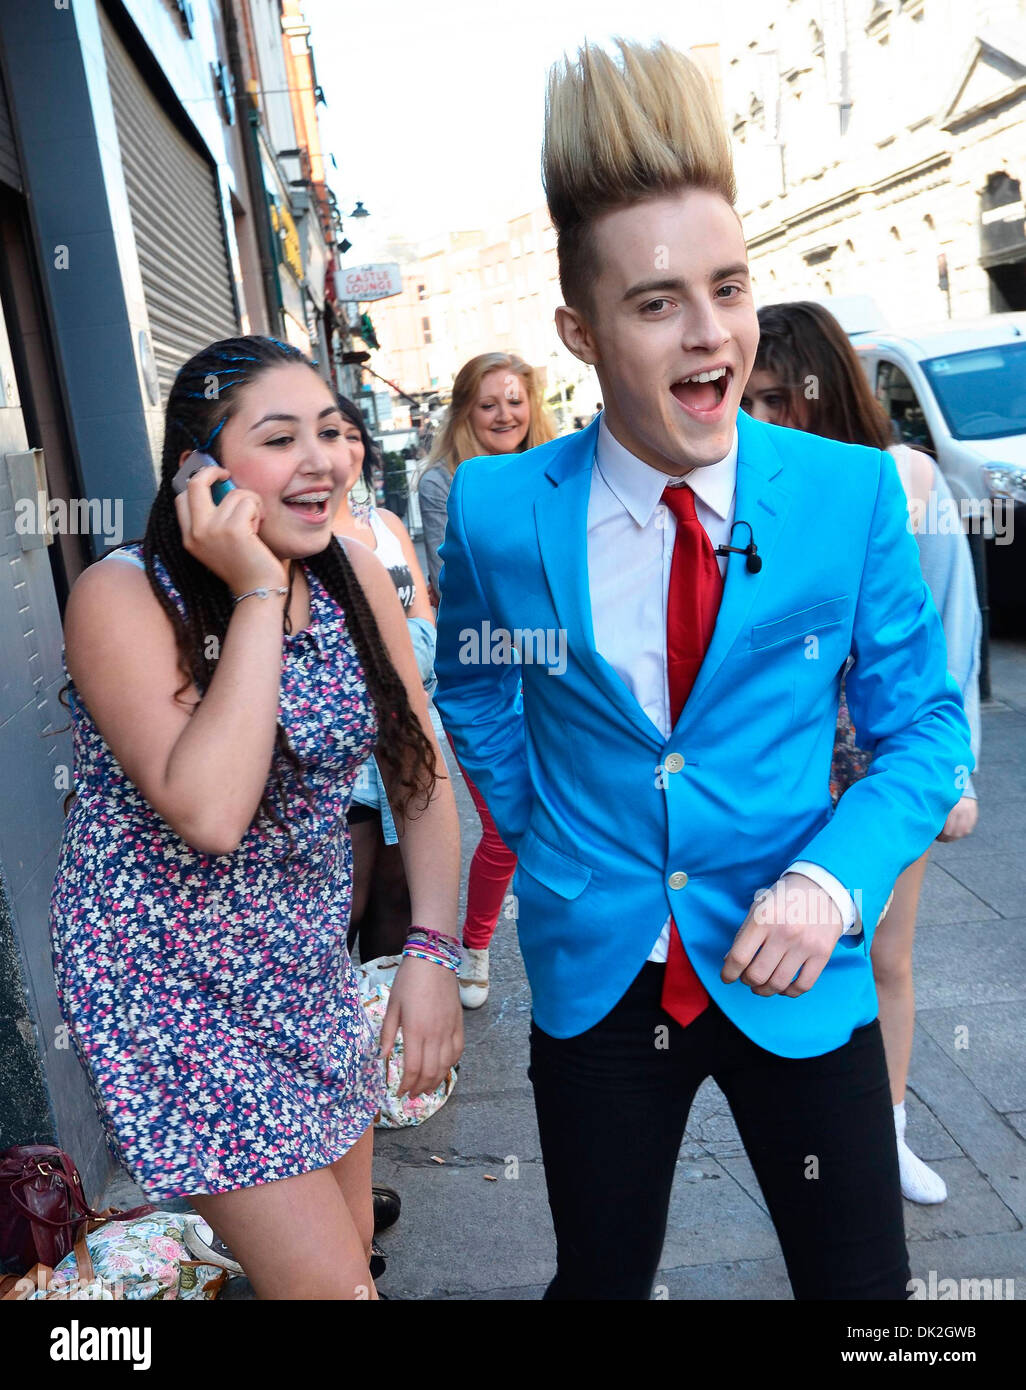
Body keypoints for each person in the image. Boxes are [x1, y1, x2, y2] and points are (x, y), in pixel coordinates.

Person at [433, 40, 973, 1300]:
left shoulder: (844, 495)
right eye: (657, 301)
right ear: (579, 329)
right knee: (602, 1279)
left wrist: (834, 881)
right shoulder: (499, 509)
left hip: (795, 964)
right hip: (601, 974)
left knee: (865, 1294)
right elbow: (471, 683)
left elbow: (927, 728)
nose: (710, 334)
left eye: (728, 289)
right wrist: (546, 829)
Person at [50, 335, 462, 1300]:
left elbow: (418, 771)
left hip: (300, 959)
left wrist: (433, 953)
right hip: (170, 987)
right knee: (330, 1288)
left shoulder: (357, 576)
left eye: (333, 430)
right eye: (280, 439)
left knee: (350, 1252)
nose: (322, 459)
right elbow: (210, 809)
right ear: (201, 470)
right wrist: (255, 588)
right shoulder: (121, 595)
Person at [741, 300, 981, 1205]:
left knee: (887, 953)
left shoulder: (902, 479)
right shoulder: (755, 491)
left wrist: (955, 776)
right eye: (750, 401)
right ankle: (821, 1148)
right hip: (790, 759)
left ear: (822, 386)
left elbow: (955, 638)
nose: (762, 418)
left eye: (777, 398)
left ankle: (884, 1134)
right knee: (801, 951)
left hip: (887, 763)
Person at [418, 352, 556, 1007]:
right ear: (465, 411)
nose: (505, 414)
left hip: (556, 671)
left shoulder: (561, 467)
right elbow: (457, 583)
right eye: (488, 403)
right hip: (485, 674)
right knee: (504, 827)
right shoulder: (446, 482)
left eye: (514, 400)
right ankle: (476, 947)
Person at [333, 395, 437, 963]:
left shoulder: (388, 525)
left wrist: (390, 657)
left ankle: (383, 1029)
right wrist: (398, 652)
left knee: (400, 895)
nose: (342, 446)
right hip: (345, 747)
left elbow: (425, 619)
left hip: (407, 727)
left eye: (351, 433)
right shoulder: (301, 533)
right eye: (329, 433)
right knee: (344, 899)